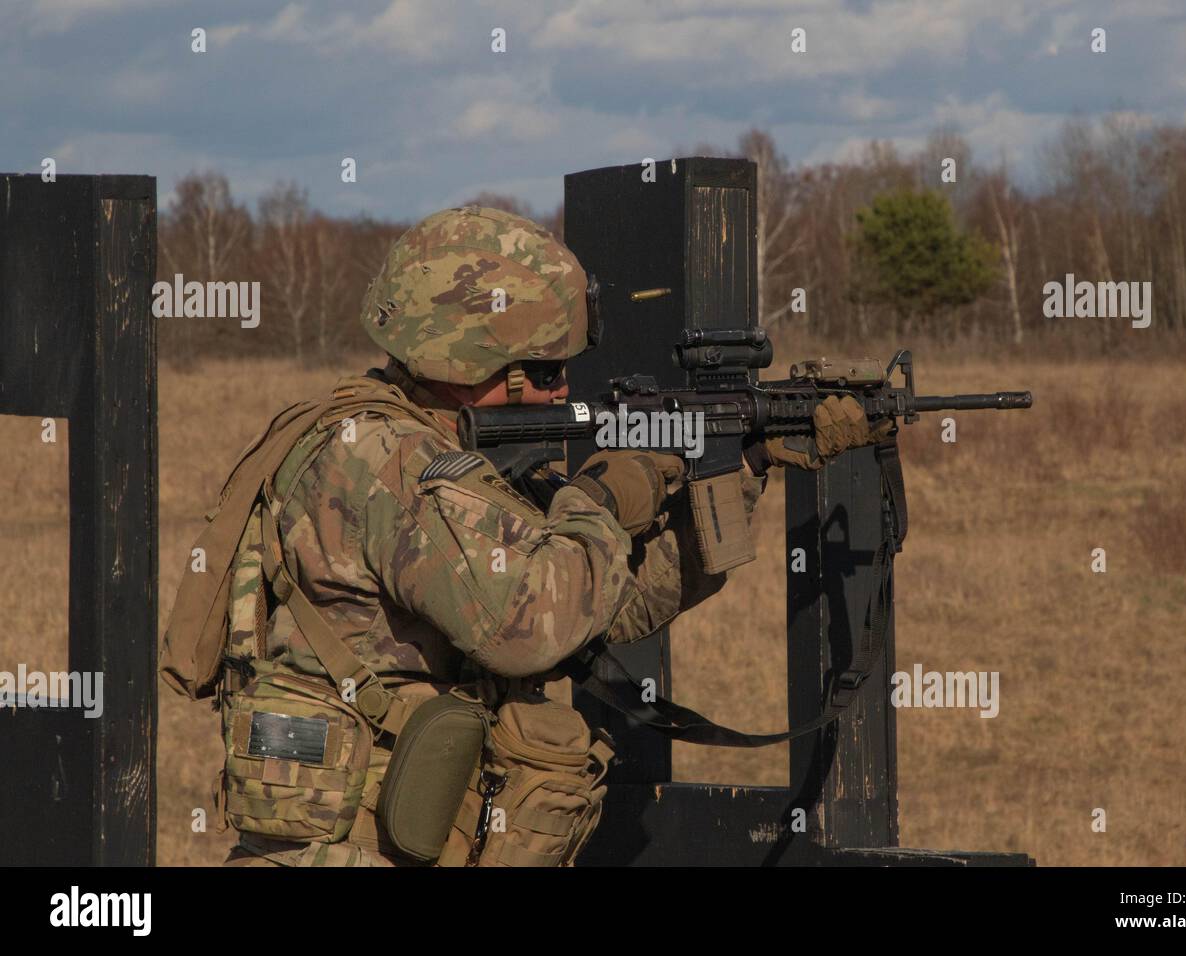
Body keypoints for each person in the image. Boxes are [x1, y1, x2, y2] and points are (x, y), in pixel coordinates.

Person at [161, 204, 883, 867]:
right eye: (541, 370)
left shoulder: (457, 460)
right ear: (463, 362)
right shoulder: (382, 461)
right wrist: (600, 499)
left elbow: (609, 609)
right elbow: (532, 623)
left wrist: (746, 459)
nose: (563, 389)